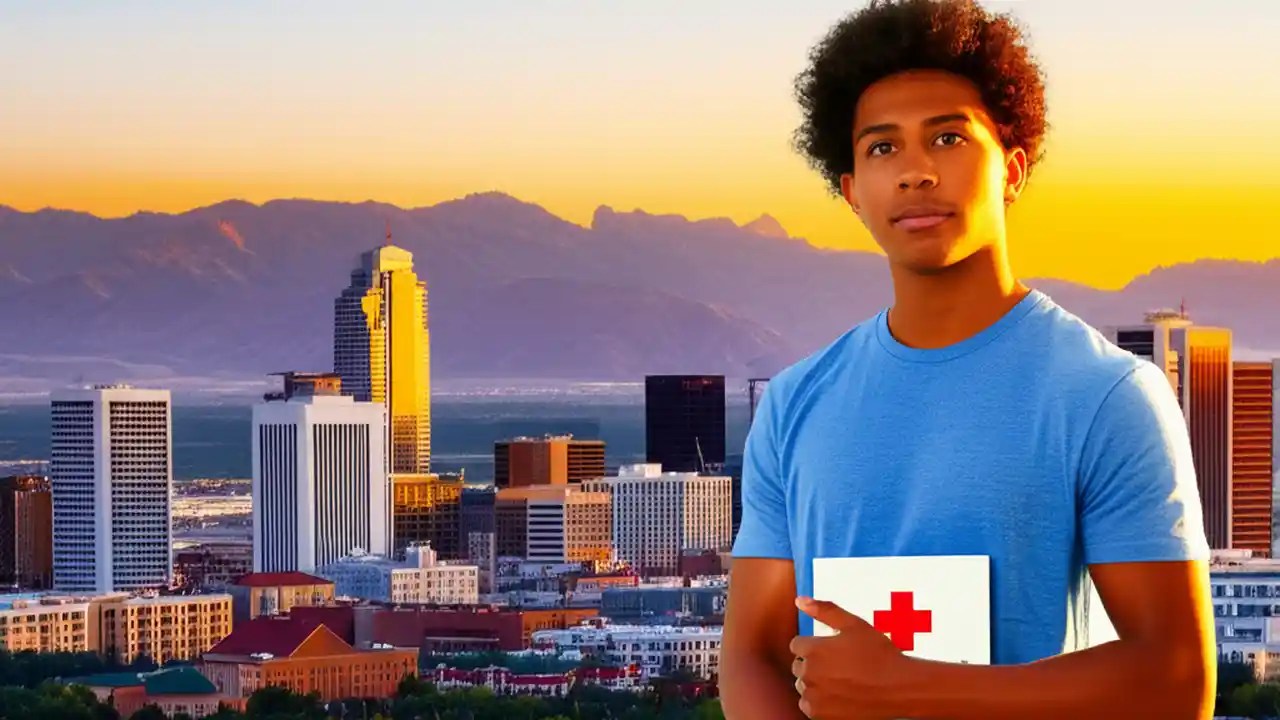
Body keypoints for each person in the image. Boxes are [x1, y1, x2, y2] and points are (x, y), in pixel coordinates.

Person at [717, 1, 1216, 718]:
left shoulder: (1108, 396)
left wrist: (912, 688)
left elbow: (1175, 681)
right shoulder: (796, 403)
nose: (916, 173)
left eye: (948, 137)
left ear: (1012, 170)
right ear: (853, 193)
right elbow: (753, 655)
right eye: (883, 148)